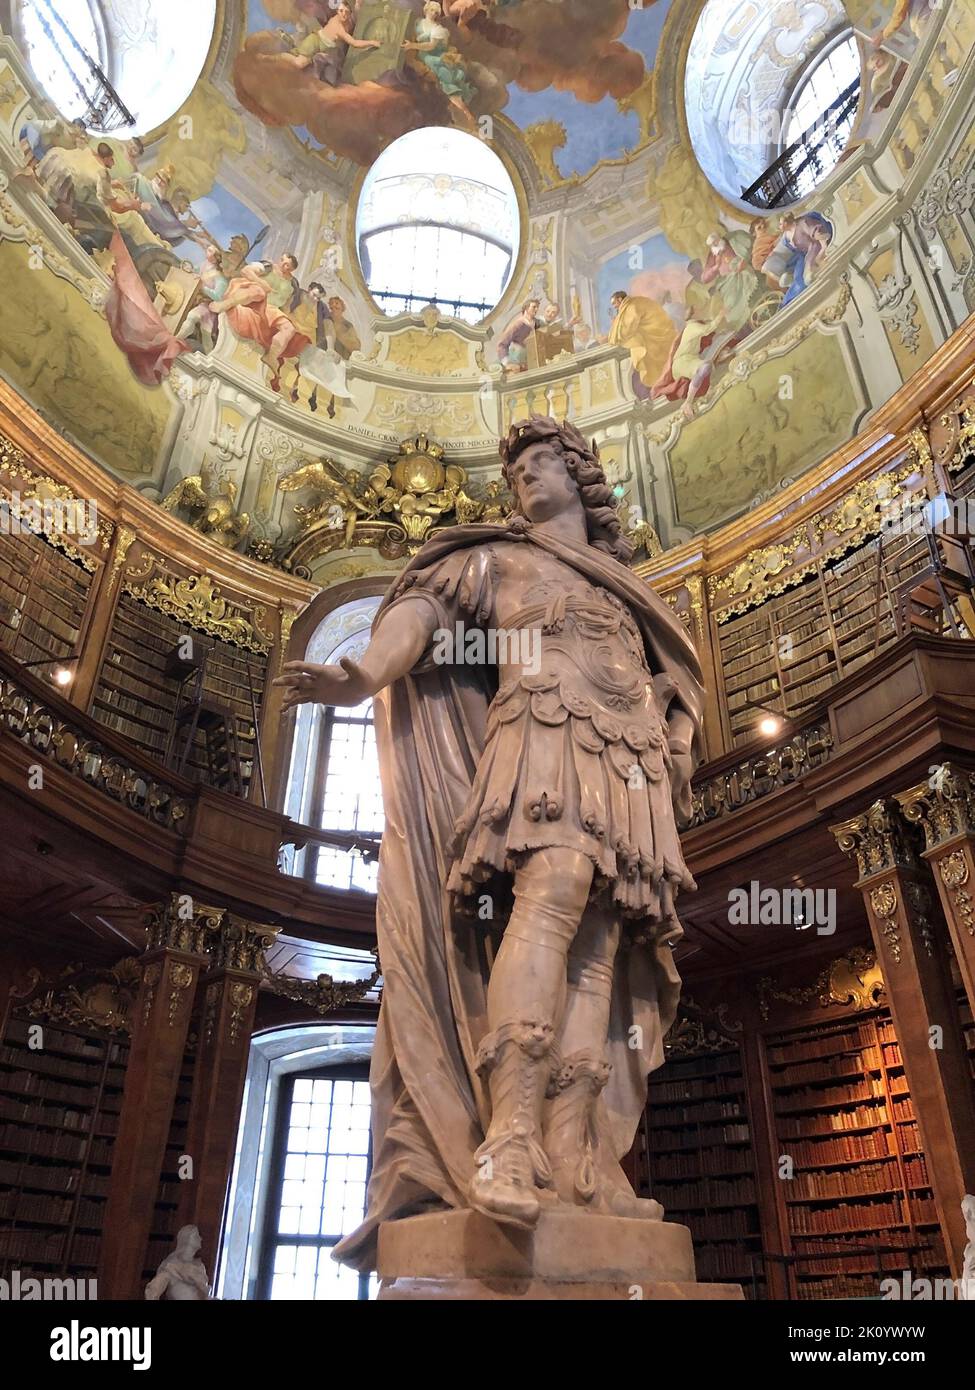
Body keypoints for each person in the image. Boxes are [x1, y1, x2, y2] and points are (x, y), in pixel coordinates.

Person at [275, 414, 703, 1269]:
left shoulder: (624, 586)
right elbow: (423, 614)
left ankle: (576, 1157)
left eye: (540, 464)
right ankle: (507, 1136)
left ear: (580, 474)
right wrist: (362, 674)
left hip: (628, 761)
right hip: (541, 733)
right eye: (514, 474)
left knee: (602, 948)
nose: (524, 482)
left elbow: (674, 676)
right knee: (548, 901)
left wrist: (670, 716)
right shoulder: (491, 559)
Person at [210, 259, 311, 390]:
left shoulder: (292, 284)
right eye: (283, 262)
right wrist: (261, 282)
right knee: (259, 292)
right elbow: (246, 271)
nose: (283, 266)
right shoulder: (267, 266)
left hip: (271, 308)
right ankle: (224, 304)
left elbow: (286, 306)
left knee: (289, 328)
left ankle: (271, 356)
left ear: (292, 269)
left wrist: (287, 317)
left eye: (288, 265)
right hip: (252, 297)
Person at [403, 2, 478, 128]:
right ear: (426, 10)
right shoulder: (418, 22)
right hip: (422, 54)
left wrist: (412, 45)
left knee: (444, 73)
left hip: (431, 55)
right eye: (432, 10)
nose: (433, 13)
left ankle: (463, 111)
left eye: (436, 12)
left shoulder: (437, 28)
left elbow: (431, 46)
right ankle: (462, 112)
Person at [607, 288, 675, 400]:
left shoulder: (631, 306)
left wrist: (615, 334)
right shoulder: (635, 302)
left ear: (620, 299)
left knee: (639, 352)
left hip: (654, 337)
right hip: (656, 335)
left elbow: (628, 329)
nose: (614, 306)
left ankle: (657, 388)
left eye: (614, 303)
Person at [289, 2, 381, 85]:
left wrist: (358, 3)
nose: (344, 14)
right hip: (315, 42)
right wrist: (372, 42)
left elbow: (356, 14)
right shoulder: (338, 26)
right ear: (337, 11)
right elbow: (354, 43)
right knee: (300, 63)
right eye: (341, 11)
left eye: (346, 12)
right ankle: (283, 75)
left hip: (326, 49)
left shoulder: (348, 21)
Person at [182, 244, 230, 353]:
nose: (206, 250)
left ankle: (210, 355)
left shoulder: (219, 277)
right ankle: (175, 339)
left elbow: (218, 297)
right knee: (195, 322)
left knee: (205, 333)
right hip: (194, 300)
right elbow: (196, 272)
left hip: (208, 307)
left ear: (215, 257)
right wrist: (190, 269)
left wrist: (202, 287)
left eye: (210, 250)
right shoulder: (204, 265)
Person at [496, 298, 540, 371]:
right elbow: (502, 344)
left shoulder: (537, 323)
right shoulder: (518, 324)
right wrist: (507, 363)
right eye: (534, 307)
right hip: (516, 359)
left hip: (530, 360)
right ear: (526, 308)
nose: (536, 309)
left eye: (537, 307)